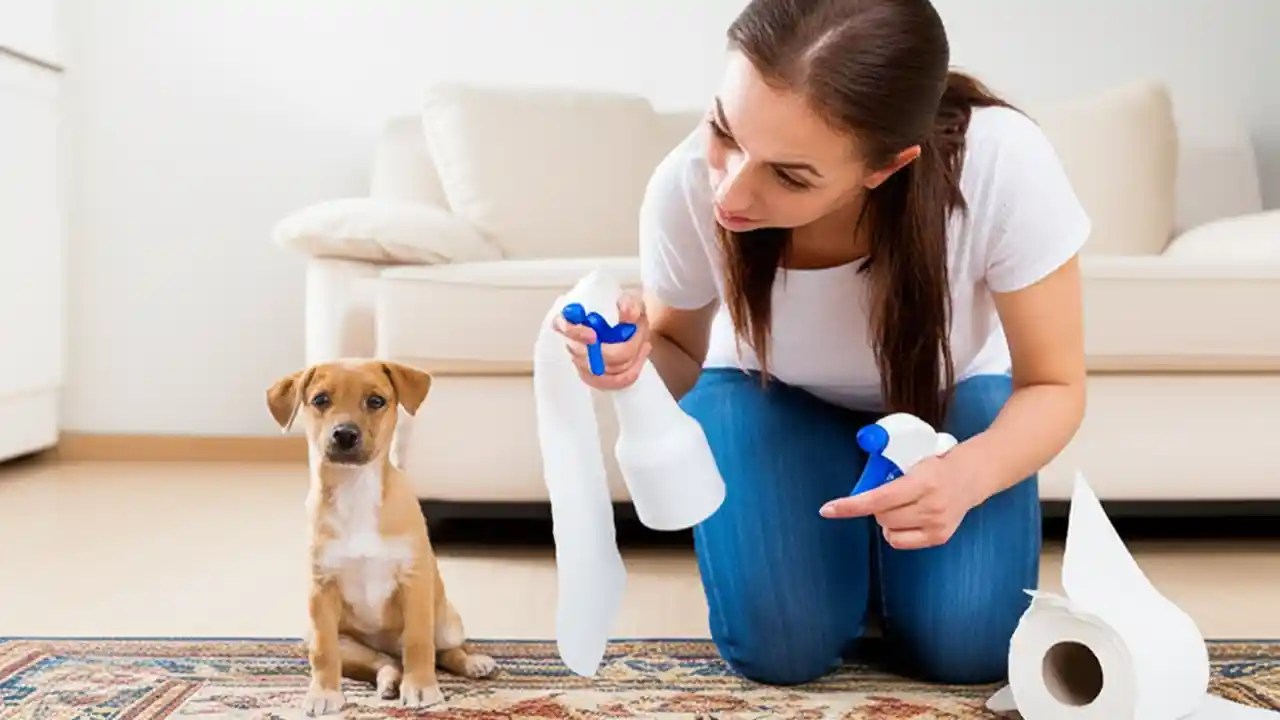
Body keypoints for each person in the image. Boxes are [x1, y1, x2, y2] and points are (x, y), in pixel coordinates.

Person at [554, 0, 1089, 687]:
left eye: (790, 174)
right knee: (779, 653)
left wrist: (964, 479)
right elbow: (679, 354)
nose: (730, 187)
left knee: (969, 651)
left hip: (949, 407)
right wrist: (632, 360)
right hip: (768, 394)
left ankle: (868, 565)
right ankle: (834, 557)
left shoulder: (1002, 162)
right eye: (725, 130)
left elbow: (1055, 385)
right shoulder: (685, 183)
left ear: (886, 166)